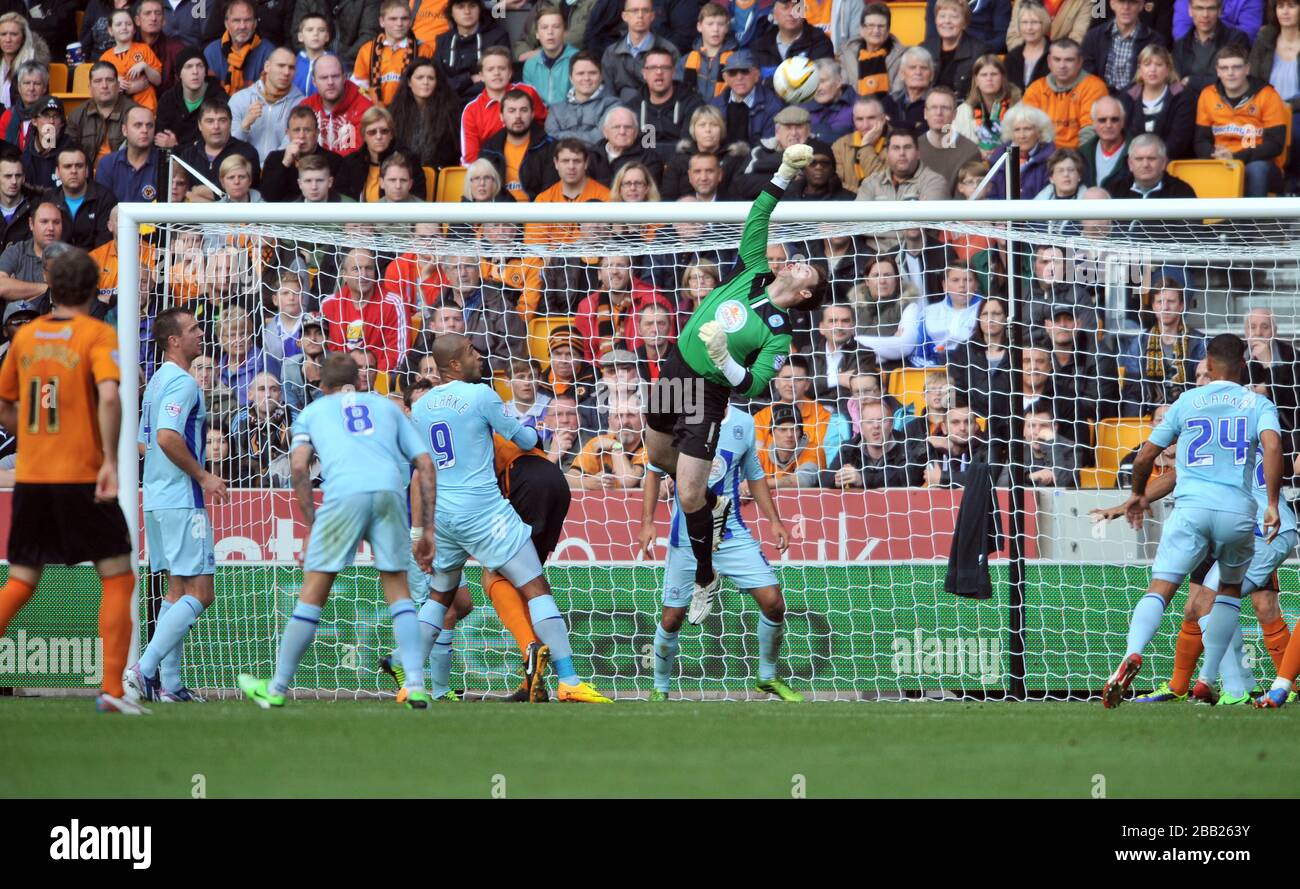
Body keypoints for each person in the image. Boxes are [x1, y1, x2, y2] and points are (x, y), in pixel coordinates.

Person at [644, 143, 826, 611]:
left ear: (805, 292)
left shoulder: (780, 334)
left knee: (685, 495)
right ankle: (713, 503)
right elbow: (760, 215)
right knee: (657, 456)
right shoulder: (752, 271)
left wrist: (724, 358)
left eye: (808, 269)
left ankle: (705, 576)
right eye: (799, 259)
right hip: (674, 370)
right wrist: (784, 171)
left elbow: (754, 386)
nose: (797, 261)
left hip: (708, 393)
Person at [407, 333, 611, 702]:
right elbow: (523, 437)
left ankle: (411, 684)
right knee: (535, 588)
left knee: (438, 598)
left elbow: (421, 469)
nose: (478, 355)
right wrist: (535, 432)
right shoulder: (481, 395)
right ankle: (568, 680)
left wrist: (421, 530)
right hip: (484, 511)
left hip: (445, 514)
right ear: (454, 364)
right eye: (471, 351)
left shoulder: (420, 409)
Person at [237, 353, 438, 709]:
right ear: (360, 381)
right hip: (389, 490)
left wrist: (312, 524)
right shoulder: (386, 407)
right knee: (399, 591)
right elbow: (424, 462)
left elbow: (299, 467)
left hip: (345, 493)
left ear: (320, 385)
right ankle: (417, 684)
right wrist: (427, 529)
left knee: (314, 591)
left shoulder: (313, 412)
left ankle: (277, 688)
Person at [1102, 334, 1284, 707]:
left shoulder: (1187, 401)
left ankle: (1132, 653)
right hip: (1238, 513)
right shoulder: (1258, 403)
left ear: (1209, 364)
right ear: (1244, 367)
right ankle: (1213, 679)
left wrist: (1137, 494)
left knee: (1162, 588)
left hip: (1191, 510)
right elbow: (1273, 447)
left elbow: (1145, 457)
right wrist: (1271, 503)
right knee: (1228, 593)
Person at [0, 246, 139, 713]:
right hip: (82, 475)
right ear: (97, 288)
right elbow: (110, 395)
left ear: (51, 289)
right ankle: (114, 692)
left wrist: (33, 439)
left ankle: (115, 693)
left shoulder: (26, 337)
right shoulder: (98, 335)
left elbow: (4, 403)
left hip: (33, 477)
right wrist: (109, 461)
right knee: (117, 577)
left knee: (20, 581)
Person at [637, 402, 800, 700]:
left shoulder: (743, 423)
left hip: (731, 533)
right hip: (686, 537)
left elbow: (755, 474)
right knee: (672, 618)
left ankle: (767, 677)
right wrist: (647, 522)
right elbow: (653, 470)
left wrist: (775, 520)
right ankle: (660, 688)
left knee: (774, 601)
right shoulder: (682, 417)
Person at [122, 308, 229, 704]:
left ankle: (170, 684)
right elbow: (166, 437)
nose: (201, 334)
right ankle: (141, 670)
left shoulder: (155, 384)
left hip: (156, 498)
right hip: (182, 499)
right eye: (193, 329)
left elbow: (144, 441)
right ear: (173, 341)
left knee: (175, 591)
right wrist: (204, 476)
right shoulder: (183, 383)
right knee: (201, 593)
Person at [1196, 42, 1290, 197]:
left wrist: (1236, 157)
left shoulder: (1267, 95)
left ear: (1247, 69)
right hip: (1220, 161)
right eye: (1224, 68)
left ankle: (1252, 221)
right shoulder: (1208, 95)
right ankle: (1214, 221)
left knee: (1256, 170)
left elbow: (1275, 145)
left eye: (1236, 67)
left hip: (1261, 164)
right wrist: (1214, 153)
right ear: (1218, 71)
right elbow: (1200, 141)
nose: (1230, 73)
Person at [859, 259, 983, 367]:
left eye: (968, 280)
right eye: (955, 280)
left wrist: (856, 341)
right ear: (945, 285)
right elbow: (917, 354)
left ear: (976, 285)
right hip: (934, 375)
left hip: (975, 372)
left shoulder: (986, 311)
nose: (962, 285)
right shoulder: (928, 313)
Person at [460, 46, 547, 163]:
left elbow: (545, 127)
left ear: (510, 73)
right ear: (481, 76)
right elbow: (470, 158)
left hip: (531, 163)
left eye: (502, 68)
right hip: (491, 171)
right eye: (490, 69)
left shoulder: (528, 92)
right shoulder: (472, 110)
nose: (496, 73)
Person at [1022, 38, 1109, 150]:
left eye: (1069, 60)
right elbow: (1026, 128)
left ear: (1080, 62)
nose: (1062, 66)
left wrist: (1076, 158)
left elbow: (1090, 131)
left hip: (1077, 156)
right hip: (1041, 155)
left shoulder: (1094, 87)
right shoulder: (1036, 89)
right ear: (1049, 61)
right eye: (1057, 59)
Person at [1250, 0, 1300, 190]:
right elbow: (1253, 79)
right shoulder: (1265, 39)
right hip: (1265, 109)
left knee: (1293, 126)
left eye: (1291, 6)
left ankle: (1293, 179)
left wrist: (1290, 106)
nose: (1285, 12)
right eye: (1280, 6)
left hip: (1295, 111)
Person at [229, 47, 304, 163]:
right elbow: (228, 148)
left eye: (291, 67)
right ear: (267, 66)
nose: (286, 72)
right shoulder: (239, 99)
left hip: (280, 171)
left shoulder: (301, 104)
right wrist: (245, 126)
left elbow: (292, 145)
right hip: (242, 174)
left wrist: (268, 170)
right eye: (281, 66)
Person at [354, 0, 436, 105]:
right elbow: (359, 86)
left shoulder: (423, 50)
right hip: (377, 113)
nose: (399, 24)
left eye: (404, 19)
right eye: (393, 19)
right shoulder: (367, 50)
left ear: (411, 22)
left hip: (411, 112)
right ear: (381, 22)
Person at [1121, 45, 1194, 162]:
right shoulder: (1128, 96)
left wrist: (1154, 161)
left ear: (1168, 69)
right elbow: (1124, 136)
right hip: (1135, 164)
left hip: (1171, 163)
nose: (1152, 69)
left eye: (1159, 65)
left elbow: (1179, 139)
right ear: (1140, 69)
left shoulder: (1182, 96)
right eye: (1147, 64)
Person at [176, 99, 263, 197]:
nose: (216, 126)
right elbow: (181, 192)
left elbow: (248, 193)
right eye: (210, 121)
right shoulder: (188, 156)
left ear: (230, 123)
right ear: (200, 125)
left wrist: (211, 193)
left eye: (222, 120)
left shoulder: (247, 153)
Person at [259, 105, 346, 202]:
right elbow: (268, 197)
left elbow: (338, 200)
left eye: (307, 130)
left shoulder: (334, 161)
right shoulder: (275, 158)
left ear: (317, 133)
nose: (301, 136)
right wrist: (286, 163)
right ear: (288, 133)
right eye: (296, 130)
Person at [388, 56, 462, 171]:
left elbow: (450, 152)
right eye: (420, 78)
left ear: (437, 82)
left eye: (431, 78)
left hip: (437, 173)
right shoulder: (395, 111)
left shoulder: (450, 111)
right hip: (402, 173)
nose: (425, 82)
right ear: (409, 82)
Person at [601, 0, 681, 104]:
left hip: (659, 113)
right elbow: (608, 95)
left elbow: (676, 91)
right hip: (621, 113)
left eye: (645, 11)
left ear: (652, 16)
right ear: (625, 16)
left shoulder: (669, 50)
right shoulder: (611, 53)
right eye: (634, 11)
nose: (640, 15)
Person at [1082, 0, 1168, 94]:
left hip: (1137, 102)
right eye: (1120, 2)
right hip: (1101, 99)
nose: (1126, 7)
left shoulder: (1155, 41)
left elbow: (1155, 80)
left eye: (1132, 2)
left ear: (1141, 5)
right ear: (1112, 4)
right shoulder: (1094, 37)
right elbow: (1088, 76)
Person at [433, 0, 509, 103]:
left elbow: (499, 77)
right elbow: (438, 82)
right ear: (451, 12)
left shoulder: (497, 37)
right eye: (461, 7)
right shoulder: (443, 40)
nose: (467, 11)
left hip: (486, 102)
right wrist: (470, 79)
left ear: (479, 10)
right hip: (448, 104)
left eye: (472, 6)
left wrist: (456, 85)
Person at [301, 53, 374, 156]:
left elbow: (358, 155)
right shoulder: (305, 107)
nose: (330, 82)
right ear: (314, 81)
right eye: (324, 78)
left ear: (345, 77)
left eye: (335, 76)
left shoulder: (365, 108)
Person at [543, 50, 620, 147]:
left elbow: (600, 137)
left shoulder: (614, 106)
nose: (586, 78)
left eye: (592, 73)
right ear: (571, 78)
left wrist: (563, 135)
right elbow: (550, 138)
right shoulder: (556, 109)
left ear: (601, 76)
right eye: (580, 73)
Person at [154, 48, 225, 151]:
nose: (195, 71)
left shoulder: (219, 99)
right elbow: (161, 140)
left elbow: (215, 142)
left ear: (205, 71)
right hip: (172, 162)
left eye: (200, 66)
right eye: (189, 67)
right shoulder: (168, 99)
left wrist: (176, 146)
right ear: (180, 74)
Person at [67, 61, 135, 168]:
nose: (104, 86)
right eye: (98, 81)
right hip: (87, 179)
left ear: (118, 85)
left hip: (123, 176)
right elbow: (68, 154)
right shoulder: (76, 116)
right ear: (90, 87)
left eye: (109, 80)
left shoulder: (134, 113)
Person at [982, 102, 1056, 199]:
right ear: (1010, 133)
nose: (1022, 135)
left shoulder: (1052, 159)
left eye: (1027, 129)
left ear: (1039, 132)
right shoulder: (998, 158)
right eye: (1017, 130)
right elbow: (991, 194)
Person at [710, 49, 784, 145]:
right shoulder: (714, 105)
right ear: (725, 78)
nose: (739, 77)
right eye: (733, 72)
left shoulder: (773, 106)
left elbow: (769, 148)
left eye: (745, 71)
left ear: (756, 75)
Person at [953, 54, 1021, 159]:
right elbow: (955, 143)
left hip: (1009, 163)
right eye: (984, 75)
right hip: (973, 167)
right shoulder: (963, 111)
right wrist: (976, 151)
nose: (989, 78)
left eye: (994, 74)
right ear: (976, 80)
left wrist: (1000, 150)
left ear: (1002, 77)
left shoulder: (1017, 107)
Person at [855, 125, 948, 200]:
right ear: (887, 153)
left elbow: (930, 221)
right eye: (896, 148)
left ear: (918, 153)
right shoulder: (871, 182)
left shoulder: (934, 182)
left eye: (907, 147)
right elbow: (858, 220)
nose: (902, 153)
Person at [205, 0, 276, 97]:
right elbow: (209, 96)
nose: (242, 26)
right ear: (226, 24)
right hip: (219, 109)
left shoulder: (268, 52)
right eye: (236, 20)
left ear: (255, 23)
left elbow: (268, 96)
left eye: (248, 20)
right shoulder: (211, 52)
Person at [52, 147, 117, 250]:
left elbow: (104, 246)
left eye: (79, 166)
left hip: (94, 264)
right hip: (57, 263)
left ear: (86, 171)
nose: (73, 171)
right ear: (57, 172)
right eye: (67, 166)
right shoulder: (49, 200)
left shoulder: (105, 199)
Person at [99, 8, 162, 113]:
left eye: (128, 24)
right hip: (117, 111)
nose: (124, 27)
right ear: (110, 31)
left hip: (145, 107)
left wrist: (145, 66)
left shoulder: (144, 49)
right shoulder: (105, 57)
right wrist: (115, 82)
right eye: (118, 24)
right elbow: (102, 88)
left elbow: (158, 81)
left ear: (134, 29)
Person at [841, 3, 907, 100]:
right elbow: (844, 90)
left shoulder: (902, 56)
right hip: (853, 110)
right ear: (862, 29)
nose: (876, 31)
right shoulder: (847, 54)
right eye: (870, 25)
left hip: (888, 111)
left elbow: (897, 94)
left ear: (888, 30)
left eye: (881, 26)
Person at [751, 0, 834, 76]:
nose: (792, 13)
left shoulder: (820, 42)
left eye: (797, 8)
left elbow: (824, 81)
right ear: (774, 14)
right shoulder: (761, 46)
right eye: (785, 8)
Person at [1004, 0, 1056, 89]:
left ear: (1044, 24)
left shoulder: (1056, 55)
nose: (1029, 28)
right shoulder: (1011, 57)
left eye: (1034, 22)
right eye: (1024, 23)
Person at [292, 11, 332, 98]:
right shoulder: (293, 63)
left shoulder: (335, 63)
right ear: (300, 37)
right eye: (310, 30)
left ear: (327, 36)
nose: (315, 34)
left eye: (321, 30)